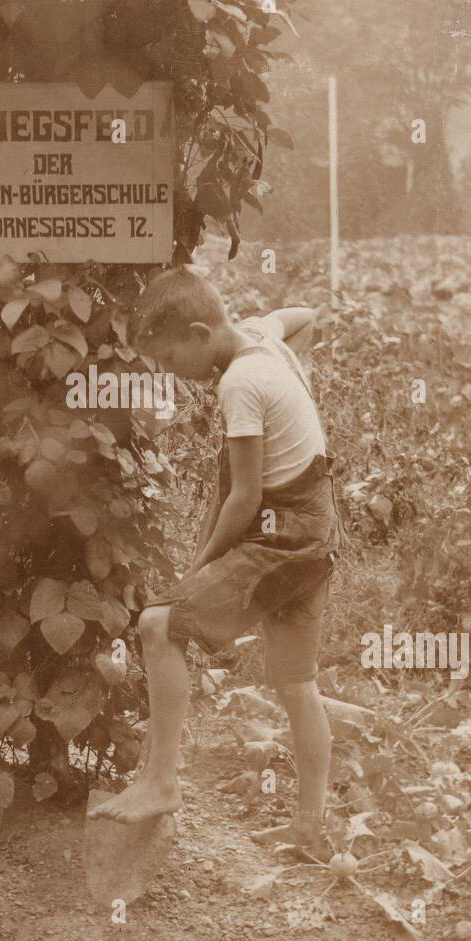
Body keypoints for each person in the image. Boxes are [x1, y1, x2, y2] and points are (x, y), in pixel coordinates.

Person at [88, 270, 341, 854]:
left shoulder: (240, 384)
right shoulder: (260, 336)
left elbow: (245, 499)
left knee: (159, 622)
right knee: (298, 684)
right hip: (317, 534)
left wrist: (197, 571)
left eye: (174, 358)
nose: (173, 372)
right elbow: (303, 315)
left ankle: (160, 779)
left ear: (202, 331)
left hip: (281, 538)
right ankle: (310, 829)